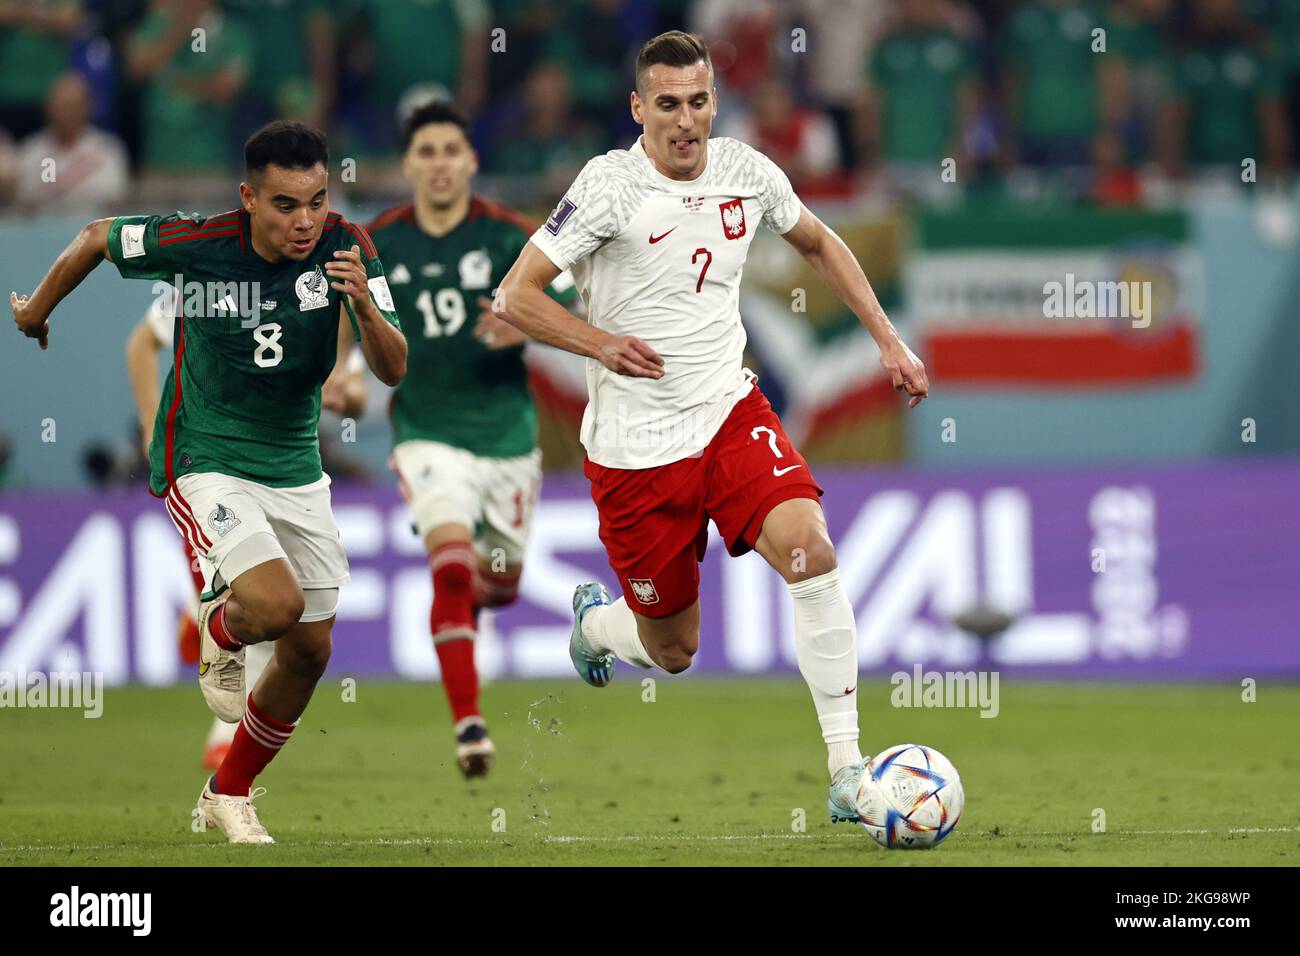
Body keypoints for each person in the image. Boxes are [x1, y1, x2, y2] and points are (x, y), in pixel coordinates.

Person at [495, 31, 929, 823]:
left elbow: (821, 243)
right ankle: (597, 624)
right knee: (674, 651)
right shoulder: (606, 188)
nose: (686, 120)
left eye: (698, 101)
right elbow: (514, 297)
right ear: (638, 108)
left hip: (730, 412)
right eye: (668, 104)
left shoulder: (746, 171)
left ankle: (845, 771)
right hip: (635, 451)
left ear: (713, 103)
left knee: (812, 550)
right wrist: (599, 343)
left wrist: (887, 340)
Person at [11, 120, 407, 843]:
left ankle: (228, 791)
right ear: (249, 198)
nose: (305, 220)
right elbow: (98, 234)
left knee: (311, 652)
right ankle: (218, 623)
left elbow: (394, 368)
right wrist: (37, 309)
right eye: (287, 205)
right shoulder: (199, 246)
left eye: (317, 201)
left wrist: (368, 310)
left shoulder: (351, 247)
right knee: (274, 605)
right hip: (208, 456)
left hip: (295, 465)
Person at [369, 100, 578, 778]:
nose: (438, 164)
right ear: (408, 163)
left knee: (499, 583)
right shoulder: (378, 242)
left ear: (471, 161)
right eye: (425, 151)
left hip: (507, 437)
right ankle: (469, 725)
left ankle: (469, 611)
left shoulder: (506, 237)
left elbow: (574, 294)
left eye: (450, 151)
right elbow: (347, 323)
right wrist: (341, 379)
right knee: (451, 564)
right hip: (426, 432)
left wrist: (529, 321)